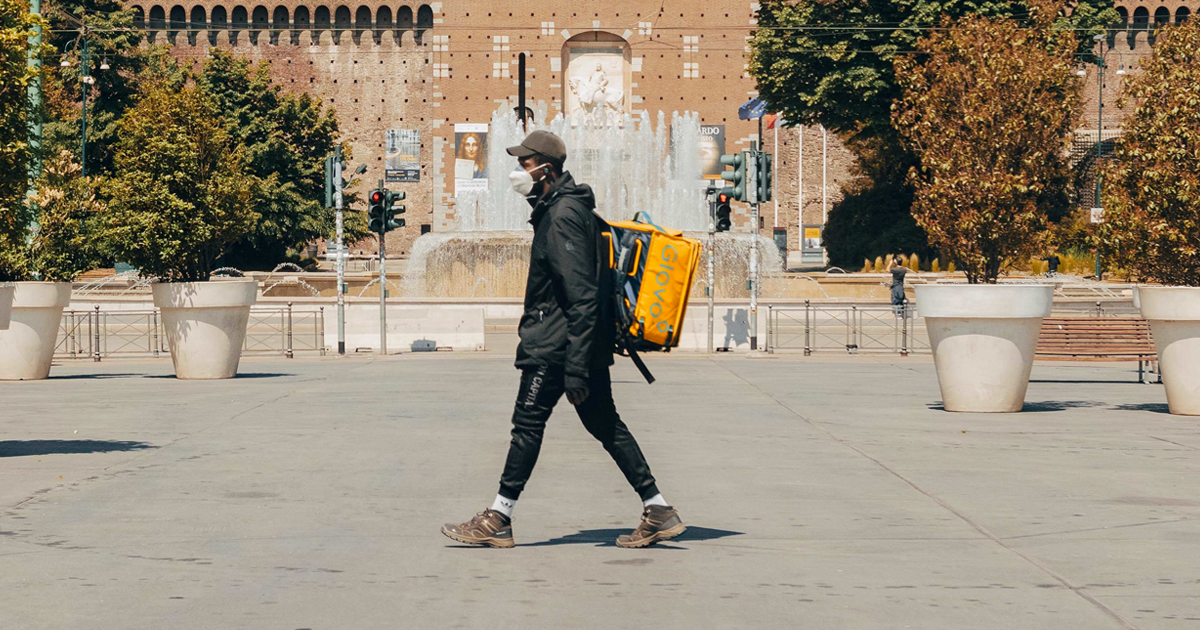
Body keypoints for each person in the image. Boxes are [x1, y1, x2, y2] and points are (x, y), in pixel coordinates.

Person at [441, 130, 684, 549]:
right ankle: (658, 508)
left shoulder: (562, 216)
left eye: (524, 164)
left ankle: (498, 517)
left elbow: (582, 295)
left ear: (545, 170)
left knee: (527, 427)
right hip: (572, 344)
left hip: (556, 347)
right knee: (605, 425)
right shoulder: (562, 210)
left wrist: (575, 367)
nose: (519, 171)